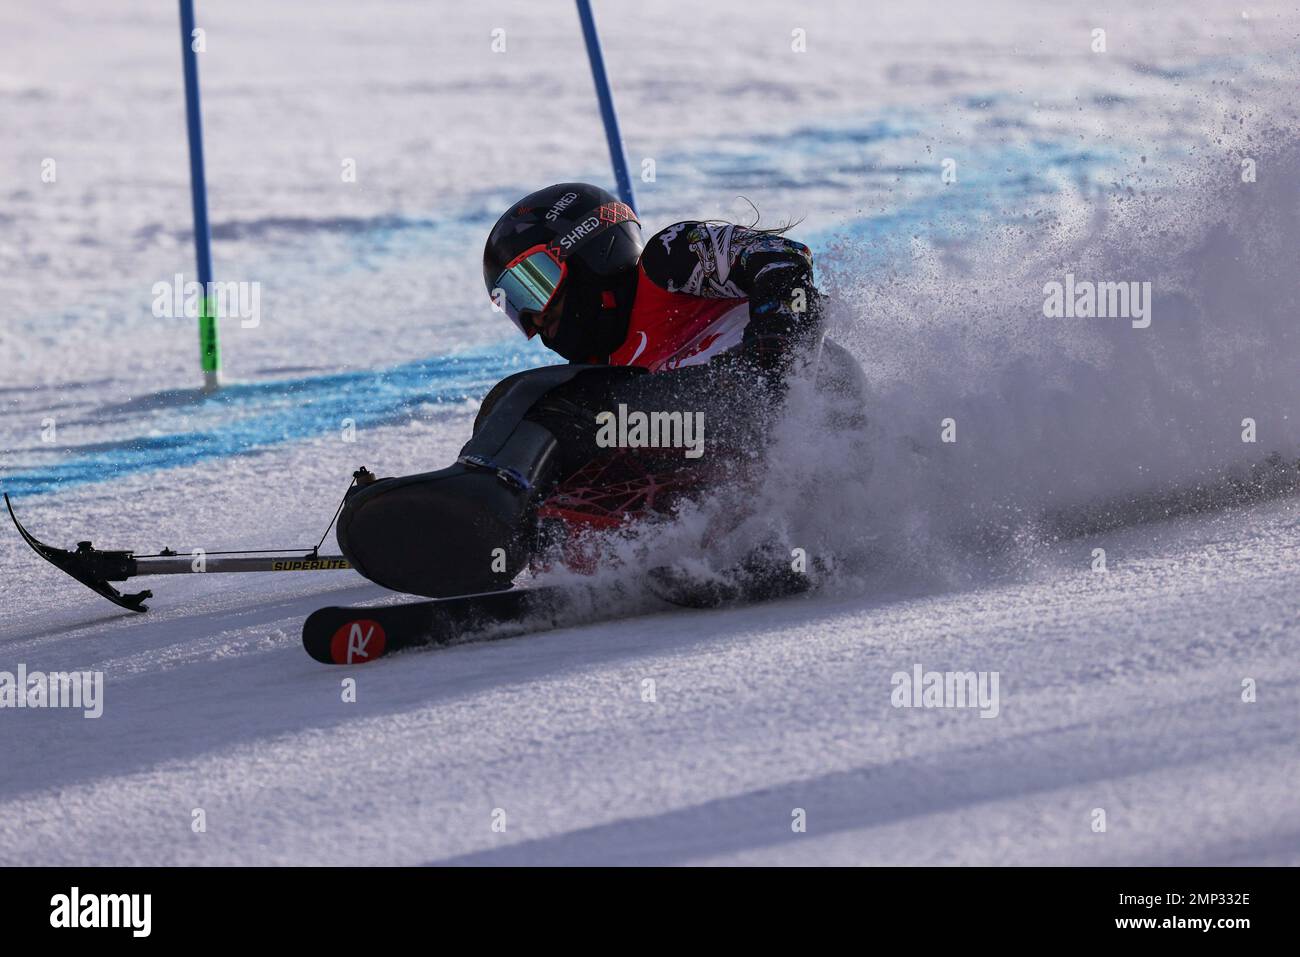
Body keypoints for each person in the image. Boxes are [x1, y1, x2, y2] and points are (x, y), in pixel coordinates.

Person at [337, 183, 857, 599]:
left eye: (535, 283)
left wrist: (771, 360)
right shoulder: (617, 370)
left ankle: (486, 502)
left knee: (536, 400)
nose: (537, 318)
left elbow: (781, 259)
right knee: (565, 447)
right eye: (516, 304)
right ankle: (512, 531)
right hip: (715, 451)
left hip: (770, 400)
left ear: (591, 248)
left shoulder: (667, 264)